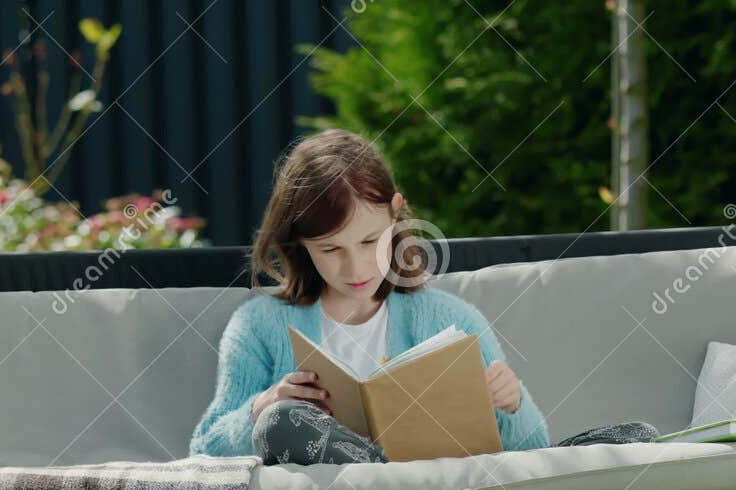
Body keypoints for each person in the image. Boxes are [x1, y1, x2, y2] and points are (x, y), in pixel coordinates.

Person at [189, 129, 550, 465]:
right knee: (281, 420)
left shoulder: (453, 319)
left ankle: (377, 469)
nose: (356, 268)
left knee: (587, 443)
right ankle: (371, 467)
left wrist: (512, 403)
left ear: (394, 213)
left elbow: (536, 449)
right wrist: (260, 408)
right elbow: (204, 452)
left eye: (369, 241)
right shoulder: (258, 324)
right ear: (300, 241)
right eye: (331, 249)